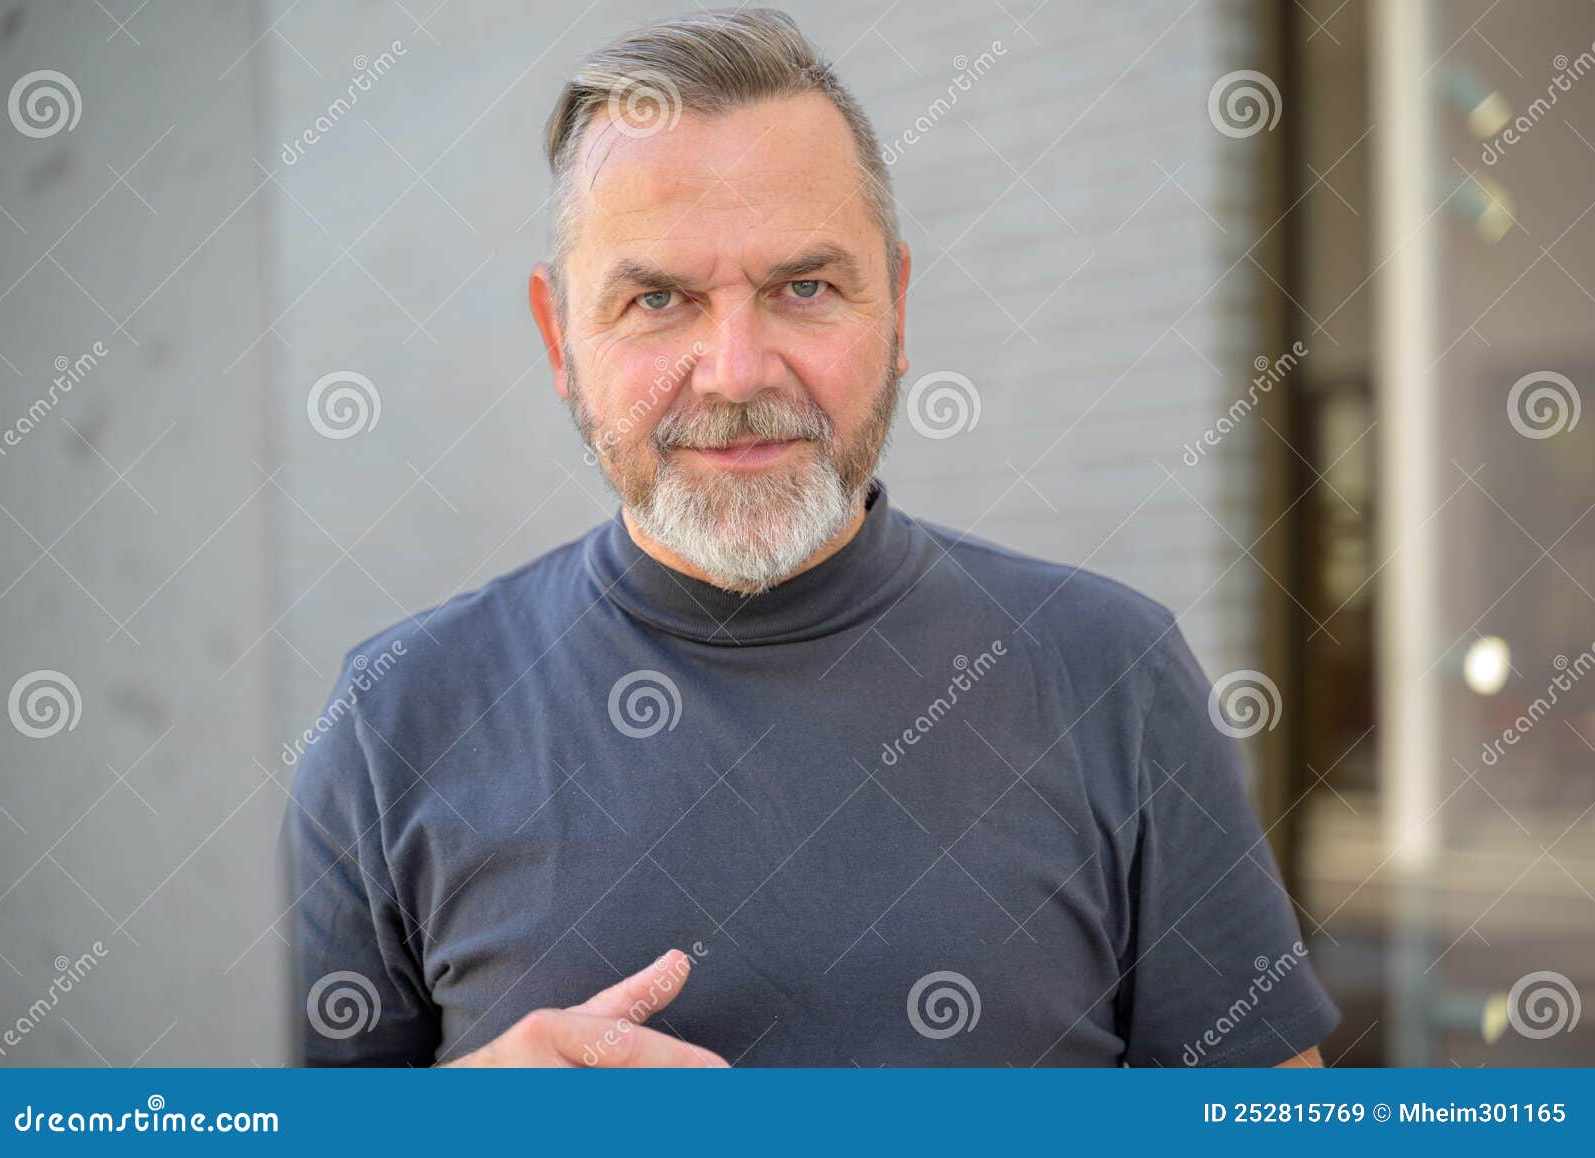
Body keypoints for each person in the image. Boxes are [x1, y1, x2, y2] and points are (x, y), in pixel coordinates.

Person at [286, 7, 1339, 1068]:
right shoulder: (398, 717)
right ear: (561, 336)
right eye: (659, 298)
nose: (737, 372)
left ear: (896, 310)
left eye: (804, 287)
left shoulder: (1109, 673)